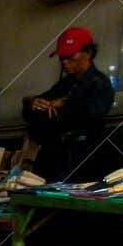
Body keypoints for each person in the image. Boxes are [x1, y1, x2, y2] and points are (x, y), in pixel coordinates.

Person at [21, 26, 114, 184]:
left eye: (70, 56)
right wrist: (33, 103)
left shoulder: (100, 84)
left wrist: (64, 104)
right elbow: (29, 115)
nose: (64, 62)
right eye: (62, 57)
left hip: (80, 165)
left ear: (89, 53)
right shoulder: (63, 85)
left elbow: (92, 115)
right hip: (50, 162)